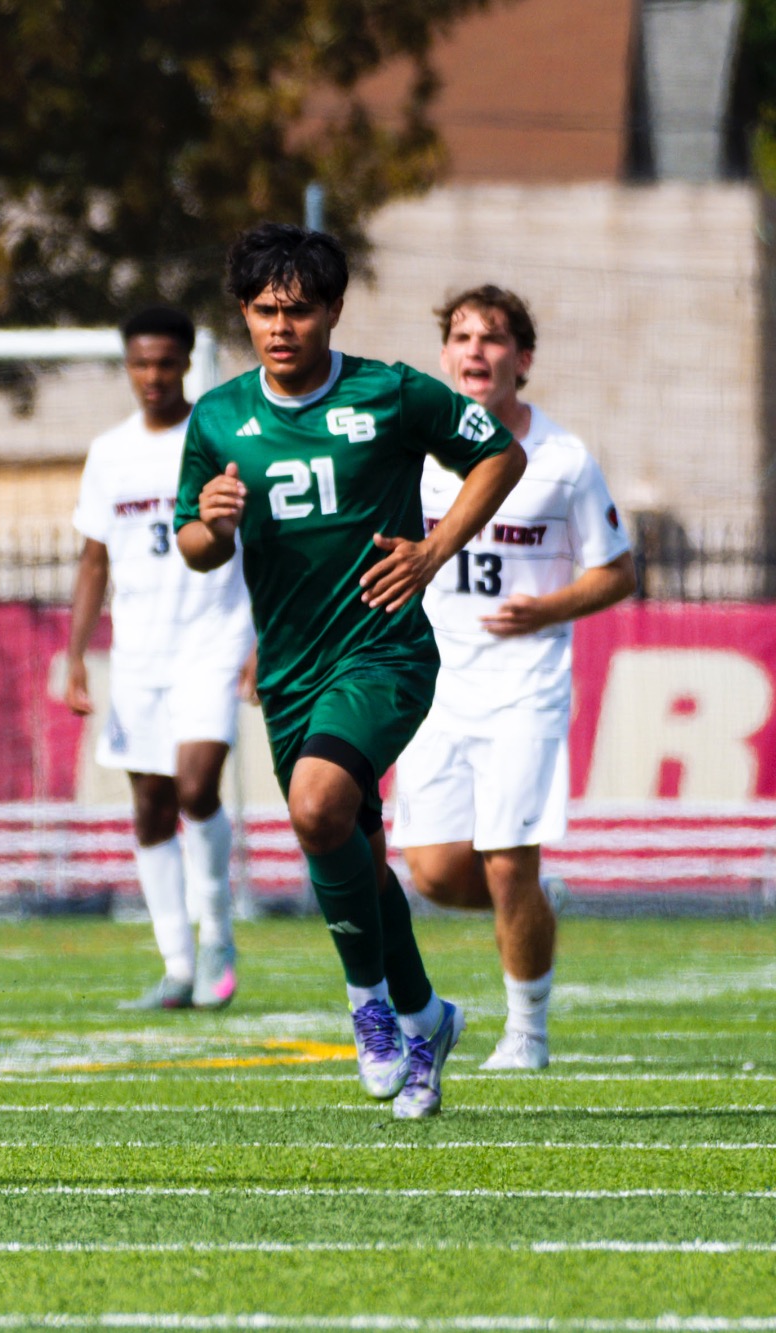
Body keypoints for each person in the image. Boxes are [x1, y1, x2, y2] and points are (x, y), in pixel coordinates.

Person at [174, 223, 527, 1118]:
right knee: (356, 858)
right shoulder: (217, 417)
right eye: (263, 310)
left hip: (385, 651)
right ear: (244, 315)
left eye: (297, 309)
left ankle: (365, 1005)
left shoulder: (392, 392)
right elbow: (194, 545)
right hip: (291, 672)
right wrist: (214, 523)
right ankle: (423, 1015)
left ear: (333, 310)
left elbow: (500, 452)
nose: (279, 326)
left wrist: (436, 547)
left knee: (318, 805)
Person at [391, 285, 635, 1071]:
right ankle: (531, 906)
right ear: (443, 357)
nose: (475, 351)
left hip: (526, 686)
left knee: (507, 856)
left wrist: (547, 608)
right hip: (437, 688)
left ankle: (526, 1031)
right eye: (461, 337)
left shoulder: (563, 459)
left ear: (521, 360)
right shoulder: (419, 455)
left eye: (492, 338)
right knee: (431, 870)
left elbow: (619, 571)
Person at [64, 306, 256, 1010]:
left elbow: (259, 544)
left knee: (197, 786)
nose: (154, 375)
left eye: (166, 363)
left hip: (214, 636)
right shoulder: (109, 452)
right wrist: (77, 654)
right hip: (140, 650)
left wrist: (262, 640)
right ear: (129, 365)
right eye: (142, 363)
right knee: (149, 804)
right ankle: (176, 965)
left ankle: (218, 940)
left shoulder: (217, 436)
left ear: (186, 364)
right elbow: (93, 559)